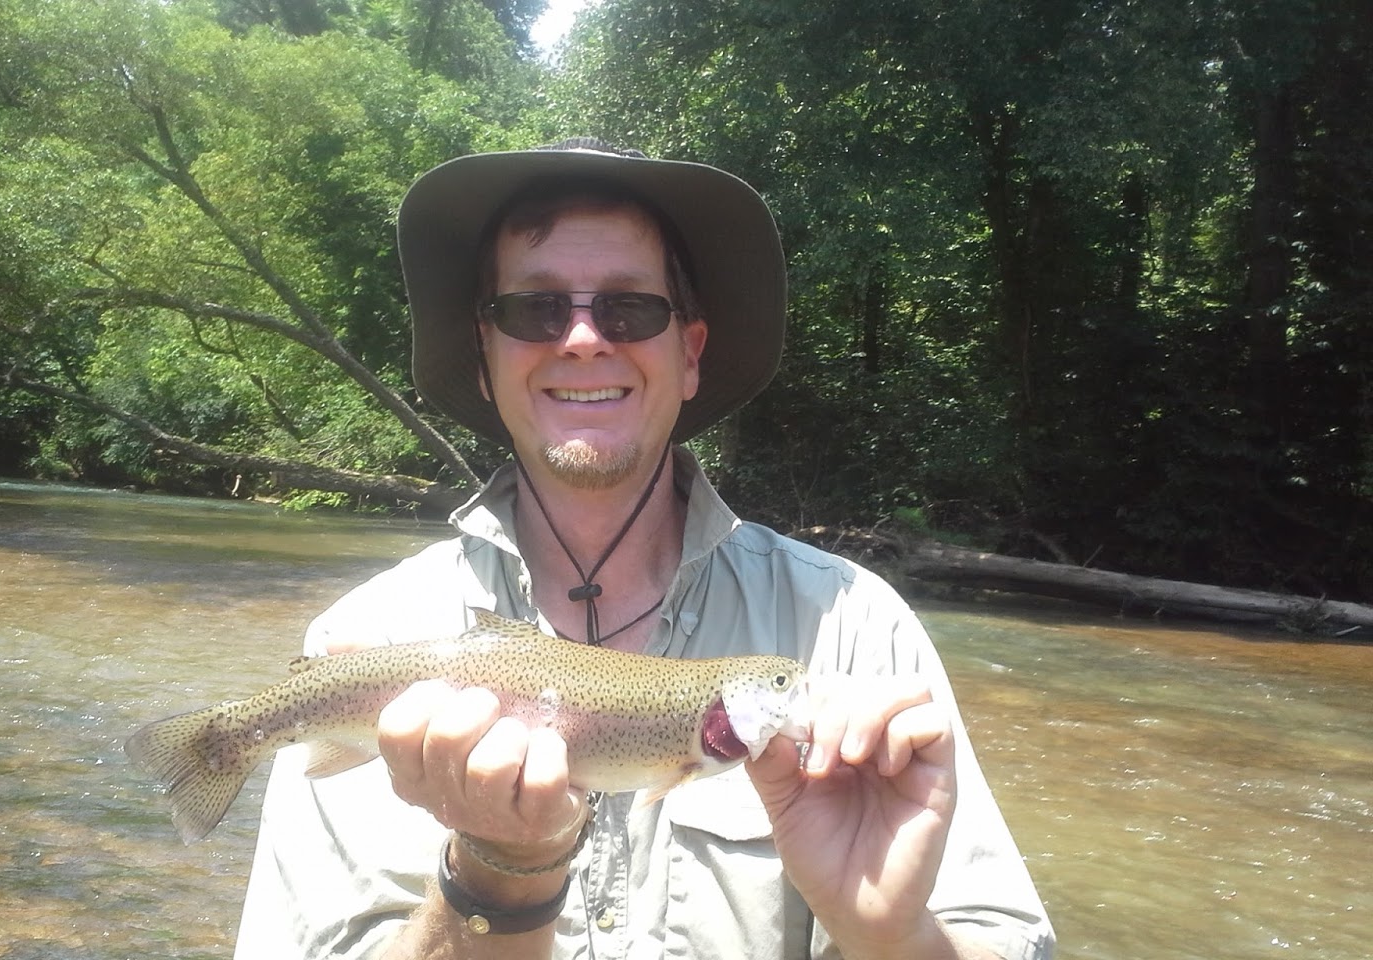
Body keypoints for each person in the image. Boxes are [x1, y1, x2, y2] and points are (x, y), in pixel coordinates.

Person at [232, 139, 1054, 960]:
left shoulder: (855, 628)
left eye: (630, 309)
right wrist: (497, 880)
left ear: (689, 353)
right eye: (534, 310)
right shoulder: (371, 640)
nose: (585, 339)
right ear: (483, 361)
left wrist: (896, 936)